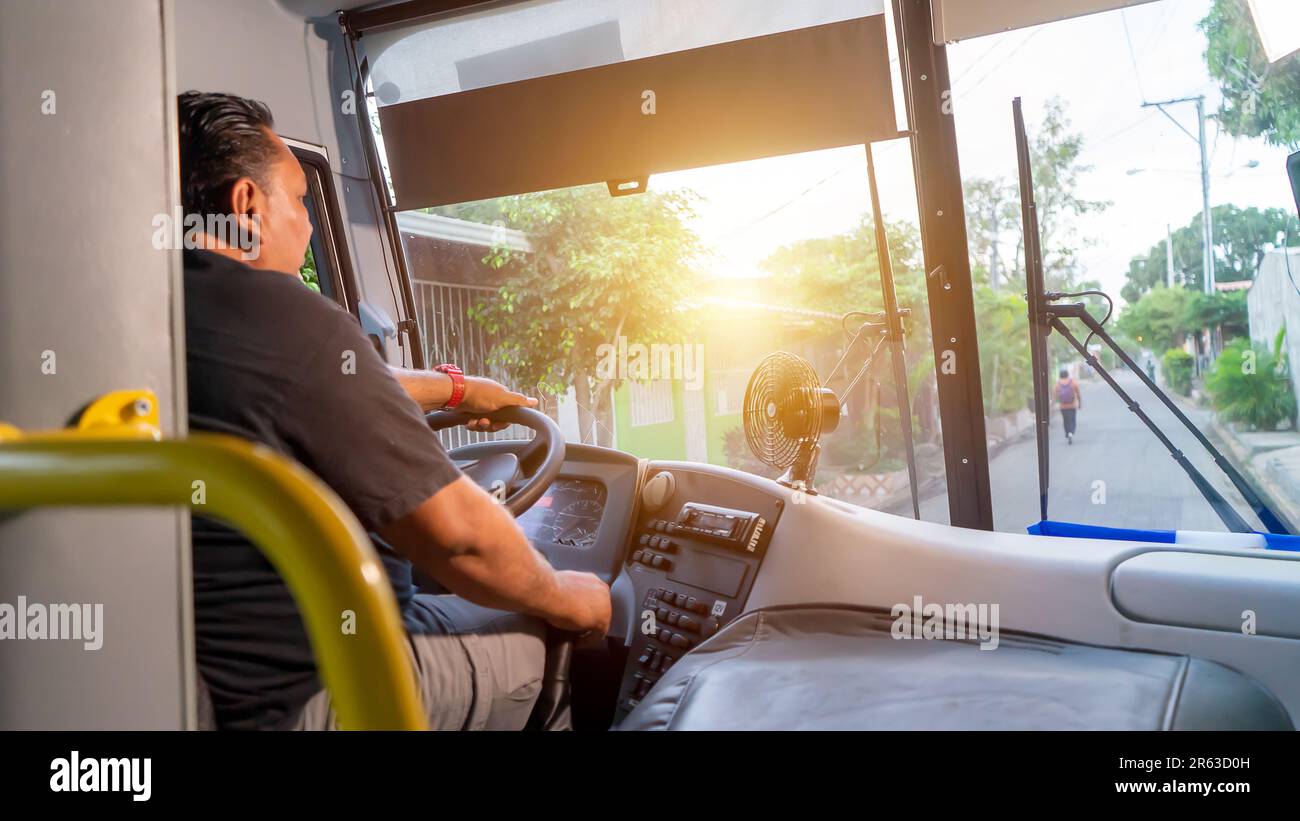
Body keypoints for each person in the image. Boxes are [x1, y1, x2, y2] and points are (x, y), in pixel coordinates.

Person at [178, 91, 610, 730]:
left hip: (206, 692)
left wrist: (457, 391)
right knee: (542, 636)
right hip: (312, 690)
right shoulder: (287, 314)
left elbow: (317, 382)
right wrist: (568, 594)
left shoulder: (166, 314)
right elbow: (461, 541)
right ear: (246, 206)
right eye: (298, 200)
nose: (308, 222)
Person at [1053, 367, 1081, 445]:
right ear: (1067, 375)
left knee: (1065, 420)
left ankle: (1067, 432)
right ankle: (1071, 433)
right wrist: (1080, 403)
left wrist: (1053, 406)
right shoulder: (1073, 383)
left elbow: (1055, 397)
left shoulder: (1057, 385)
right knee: (1072, 420)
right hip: (1072, 406)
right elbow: (1078, 394)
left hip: (1063, 407)